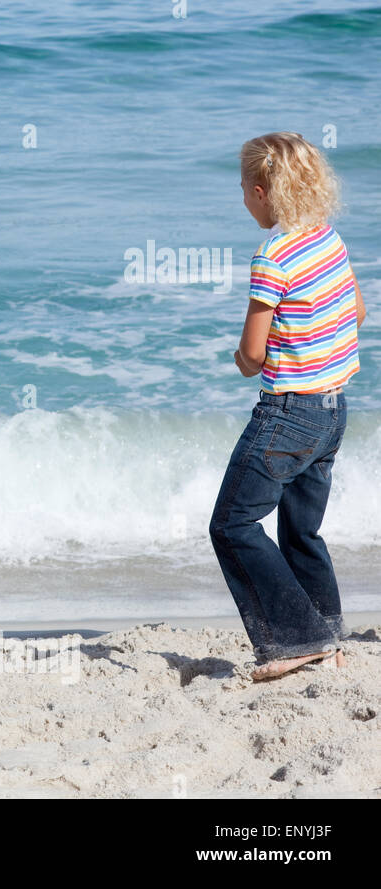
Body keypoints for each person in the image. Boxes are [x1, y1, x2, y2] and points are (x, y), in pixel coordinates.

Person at [209, 132, 366, 682]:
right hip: (332, 412)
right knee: (302, 532)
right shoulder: (328, 238)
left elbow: (252, 354)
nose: (244, 201)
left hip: (287, 415)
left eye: (244, 192)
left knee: (232, 524)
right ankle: (329, 637)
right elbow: (358, 312)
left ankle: (299, 642)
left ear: (260, 191)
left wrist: (240, 357)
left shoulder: (273, 256)